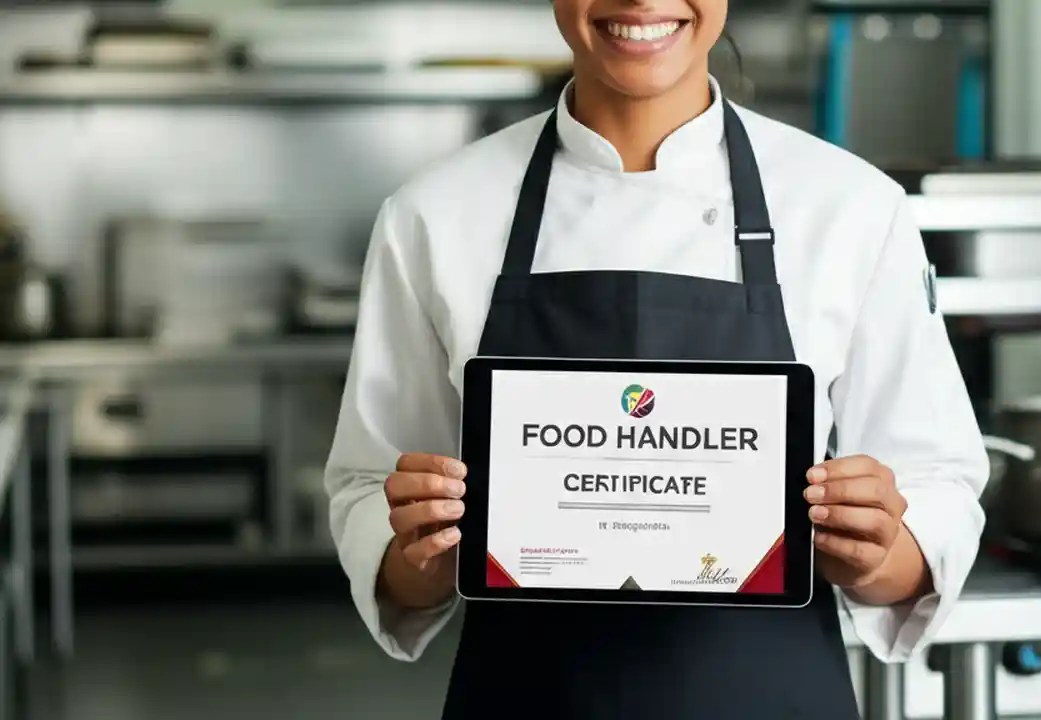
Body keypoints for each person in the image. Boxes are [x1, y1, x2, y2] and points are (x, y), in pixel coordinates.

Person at [323, 0, 989, 717]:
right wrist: (422, 551)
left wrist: (880, 553)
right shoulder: (435, 213)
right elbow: (369, 487)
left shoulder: (851, 208)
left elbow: (937, 484)